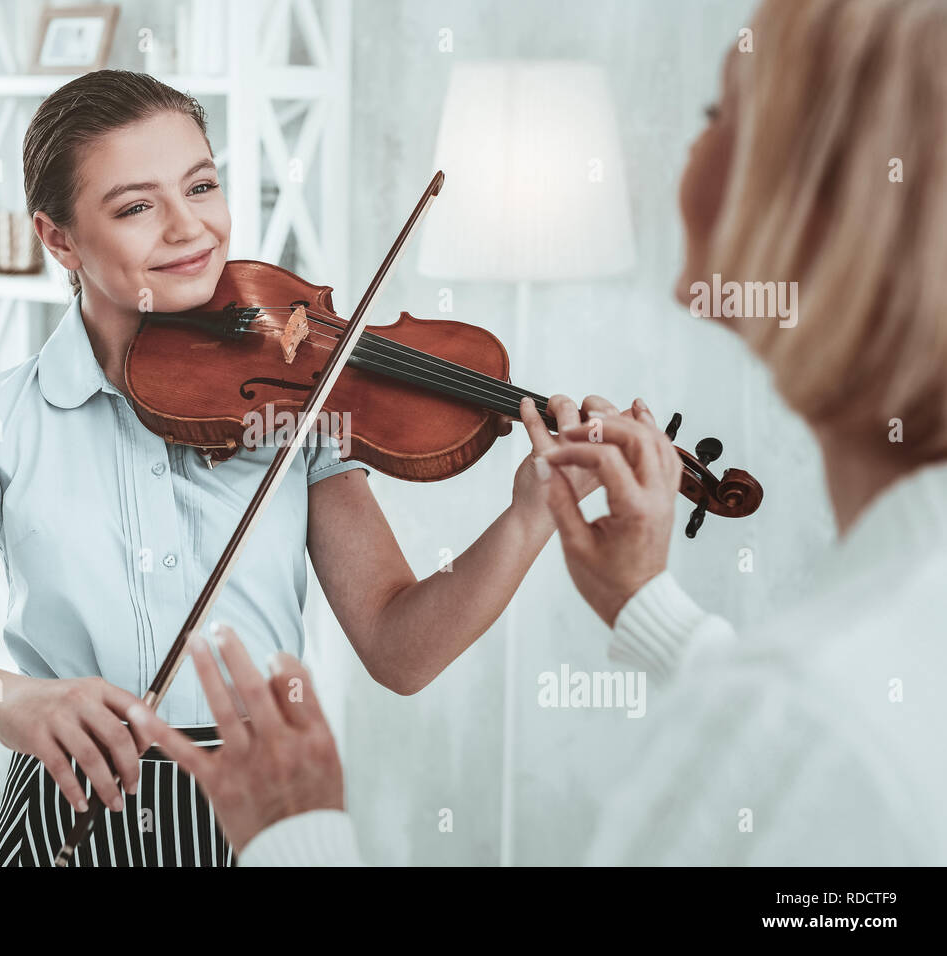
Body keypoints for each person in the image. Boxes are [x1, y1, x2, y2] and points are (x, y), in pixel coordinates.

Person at [127, 0, 947, 865]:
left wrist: (301, 835)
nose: (689, 148)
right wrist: (647, 605)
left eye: (719, 116)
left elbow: (800, 744)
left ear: (814, 214)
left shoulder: (801, 718)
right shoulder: (866, 661)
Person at [0, 69, 622, 867]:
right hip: (74, 818)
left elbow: (399, 650)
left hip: (265, 817)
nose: (189, 229)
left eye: (201, 187)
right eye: (135, 206)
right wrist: (8, 700)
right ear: (58, 238)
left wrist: (529, 516)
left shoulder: (300, 400)